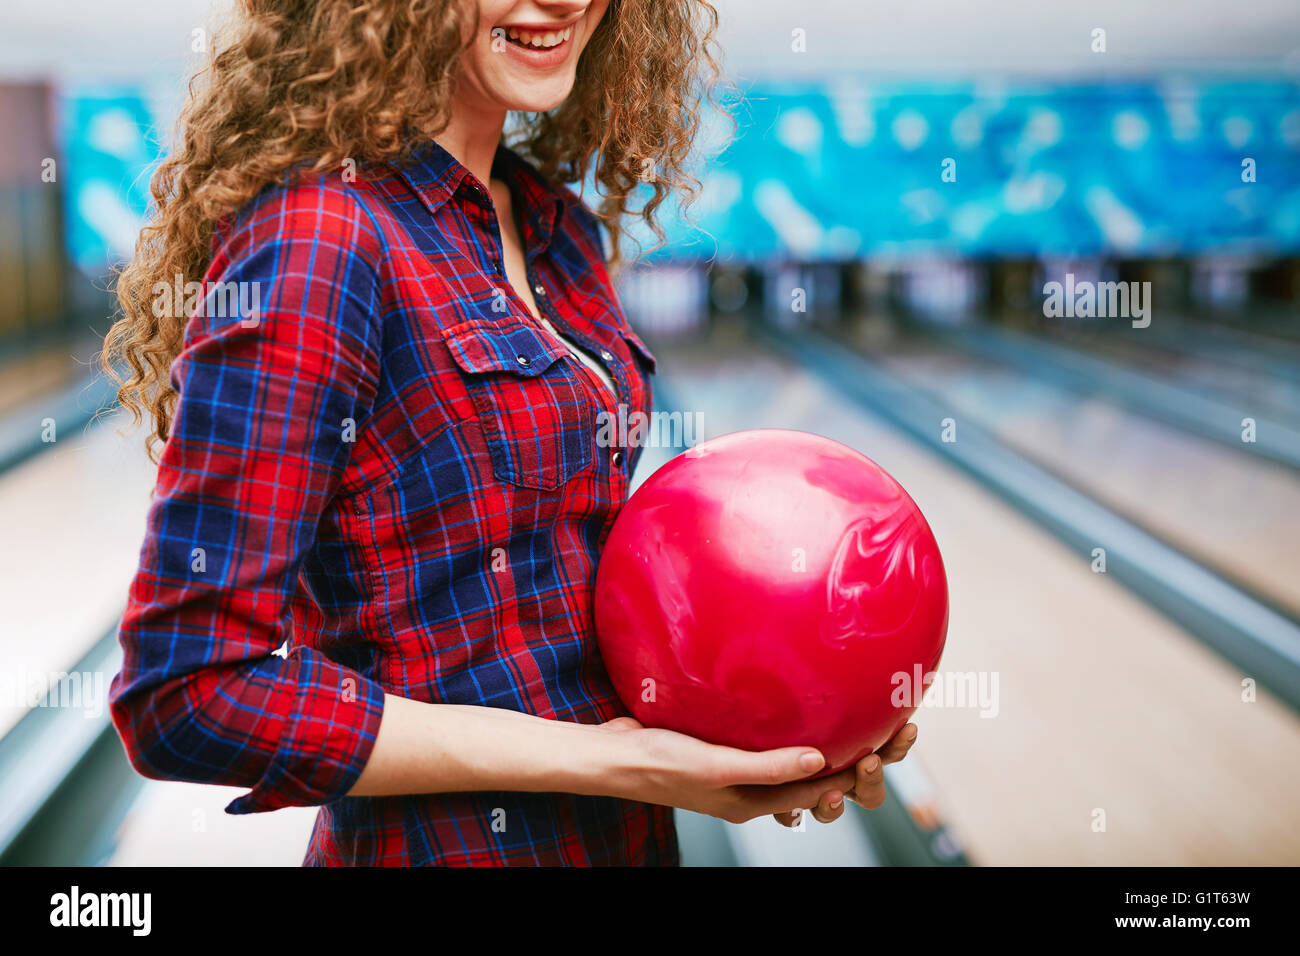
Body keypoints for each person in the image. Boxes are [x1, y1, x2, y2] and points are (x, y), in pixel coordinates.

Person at [99, 0, 918, 866]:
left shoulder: (556, 227)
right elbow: (185, 692)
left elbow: (554, 598)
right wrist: (613, 761)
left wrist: (795, 700)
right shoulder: (321, 239)